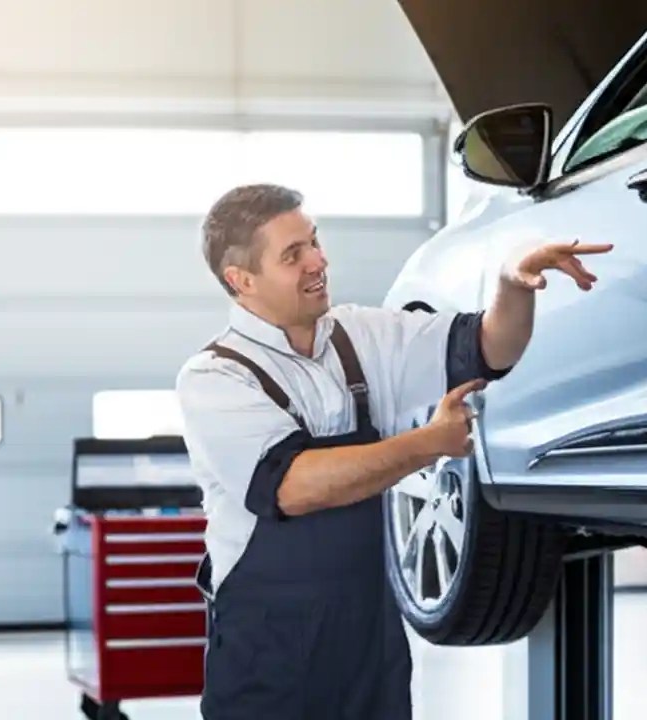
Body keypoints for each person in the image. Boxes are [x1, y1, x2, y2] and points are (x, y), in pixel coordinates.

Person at [176, 184, 611, 719]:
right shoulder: (216, 377)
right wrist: (428, 444)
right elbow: (294, 486)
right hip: (269, 658)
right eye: (293, 255)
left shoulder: (361, 335)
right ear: (240, 281)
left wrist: (511, 285)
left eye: (314, 241)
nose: (318, 260)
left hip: (369, 648)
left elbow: (488, 348)